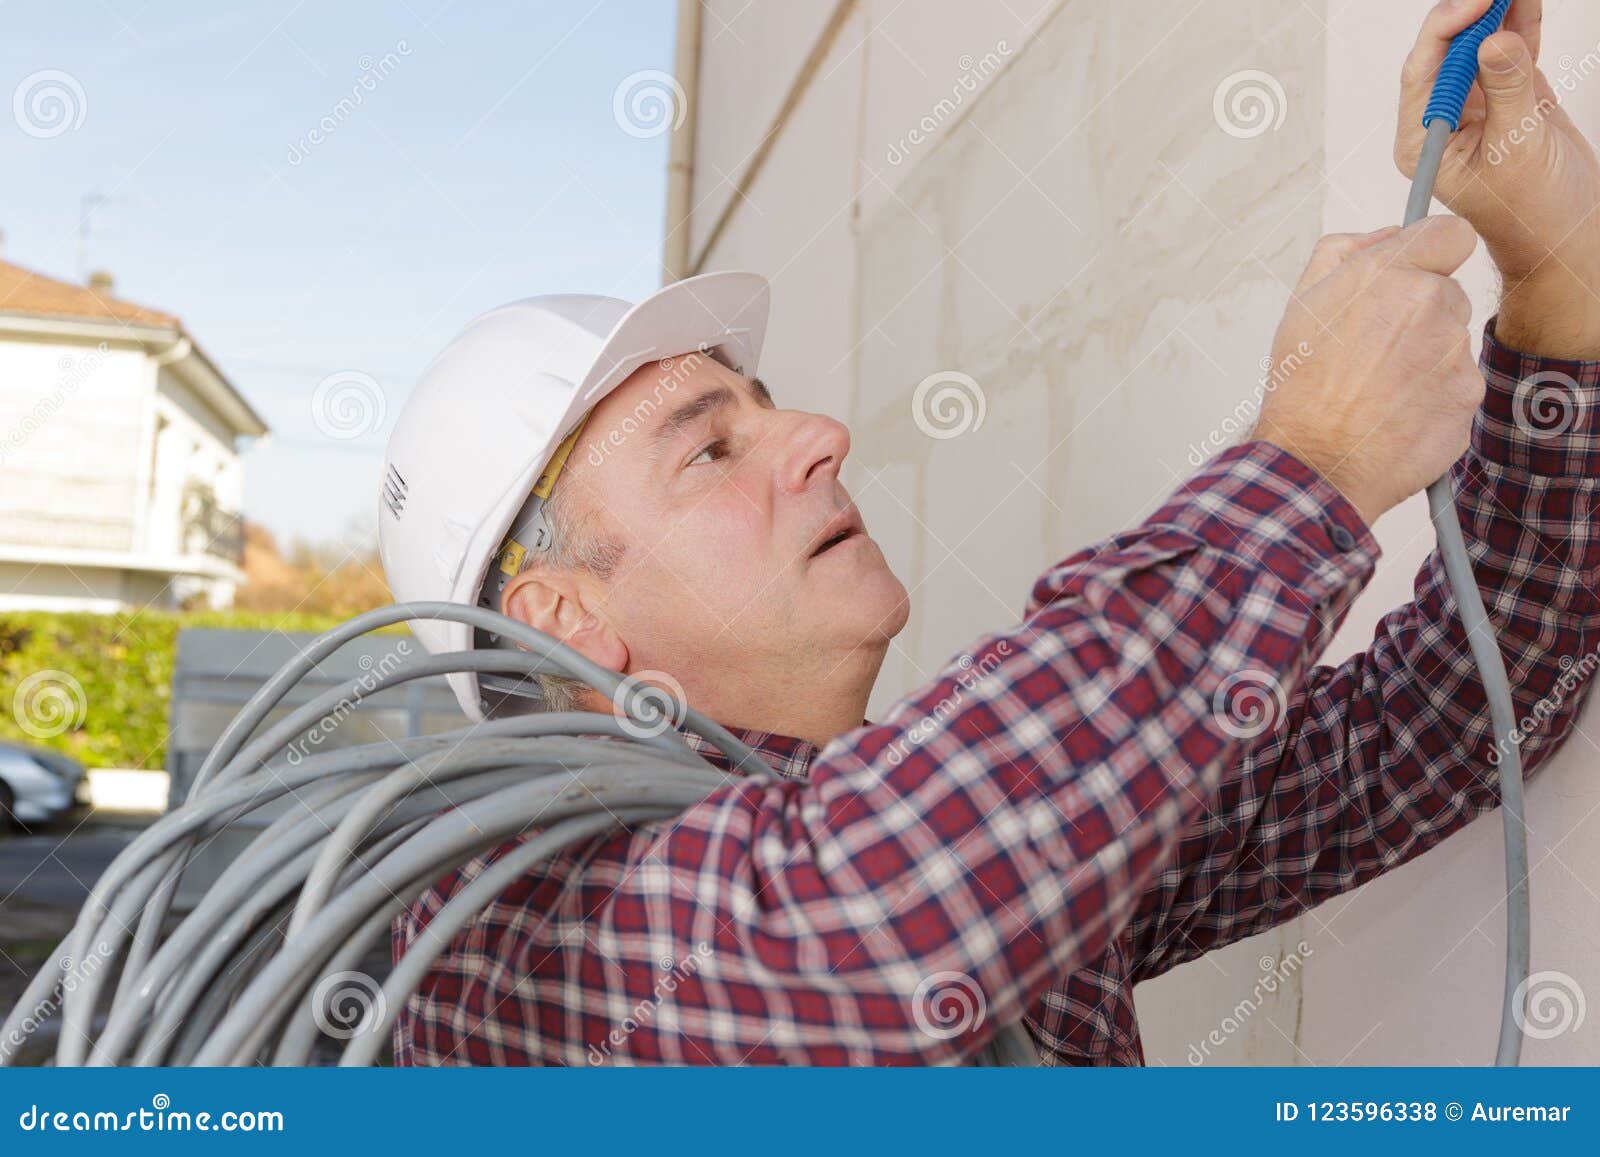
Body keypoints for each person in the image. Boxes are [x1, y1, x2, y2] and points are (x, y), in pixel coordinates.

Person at [381, 0, 1599, 1064]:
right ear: (564, 617)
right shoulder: (496, 919)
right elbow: (852, 936)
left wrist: (1556, 272)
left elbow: (1459, 711)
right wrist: (1311, 465)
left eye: (764, 404)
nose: (814, 432)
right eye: (709, 448)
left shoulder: (986, 849)